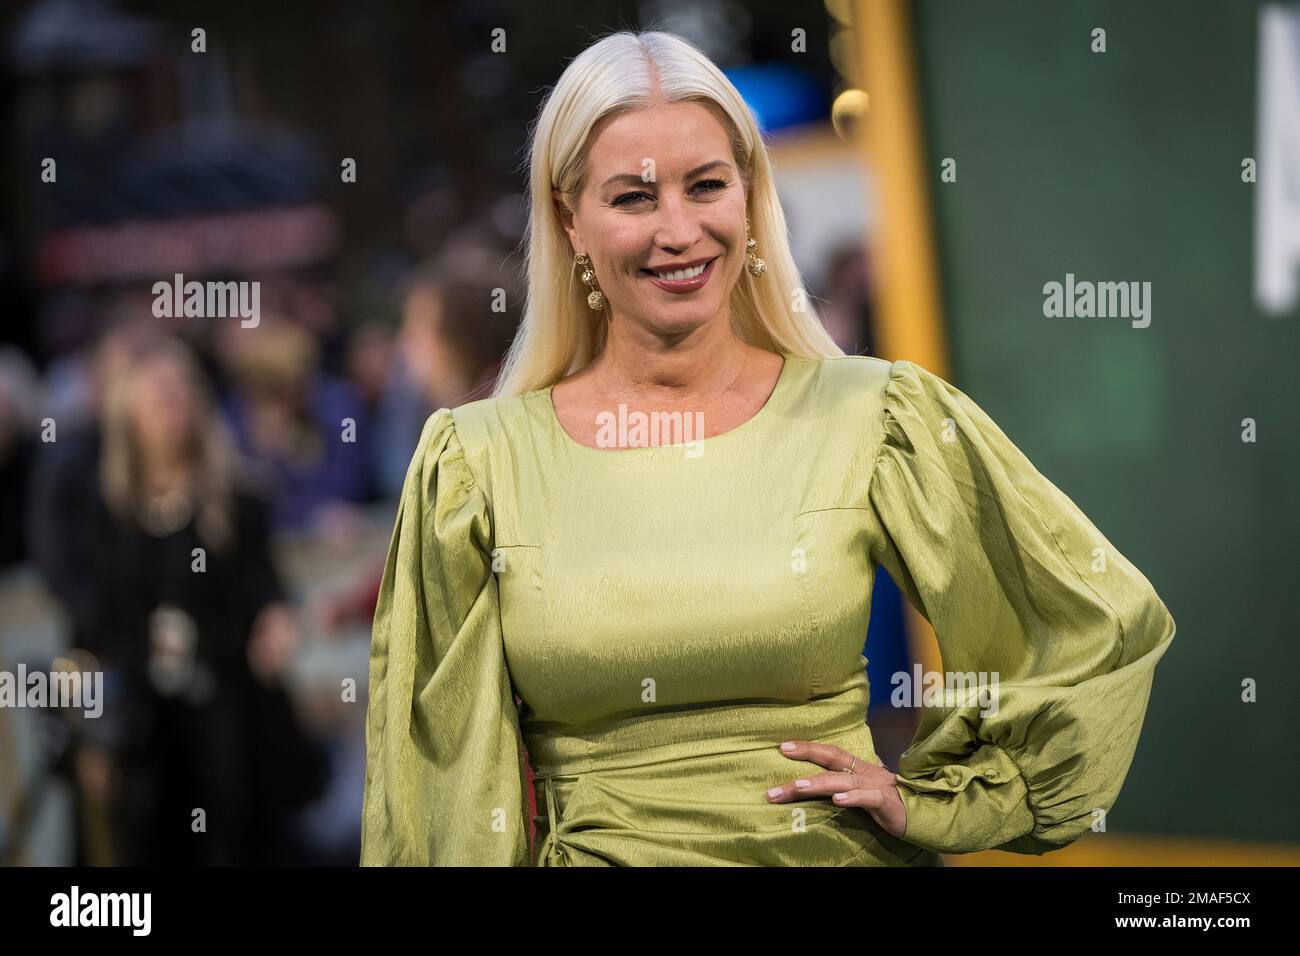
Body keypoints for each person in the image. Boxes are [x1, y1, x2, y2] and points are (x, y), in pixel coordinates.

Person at [359, 30, 1176, 866]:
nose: (677, 230)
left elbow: (1091, 629)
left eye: (706, 185)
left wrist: (943, 802)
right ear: (570, 219)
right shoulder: (474, 464)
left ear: (749, 198)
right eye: (634, 199)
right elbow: (437, 785)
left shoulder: (873, 414)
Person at [85, 335, 328, 864]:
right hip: (151, 732)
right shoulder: (111, 519)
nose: (171, 408)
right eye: (157, 399)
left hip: (235, 720)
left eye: (179, 394)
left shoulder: (239, 499)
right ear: (130, 419)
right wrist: (97, 739)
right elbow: (97, 629)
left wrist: (278, 623)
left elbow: (269, 590)